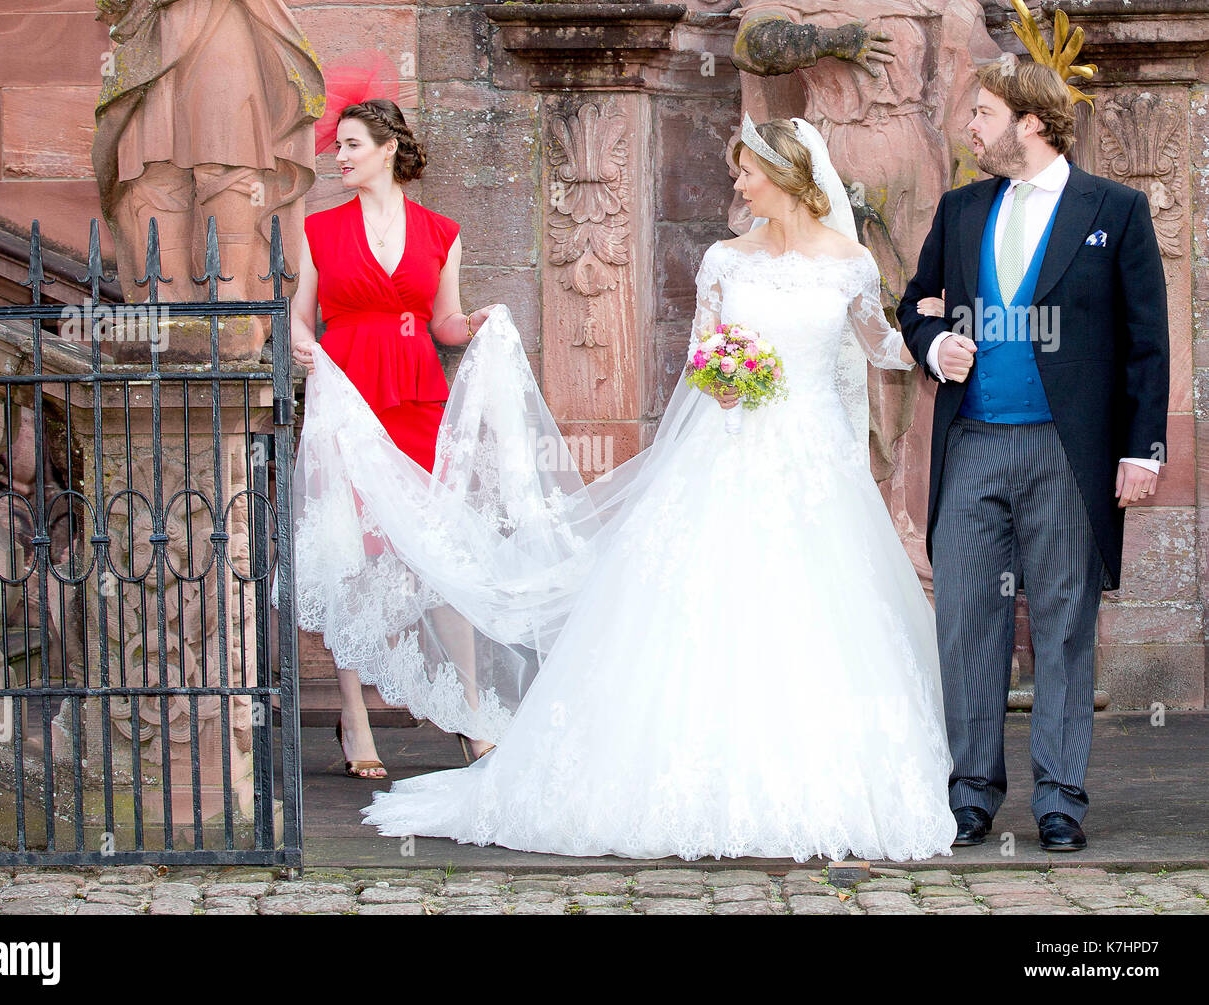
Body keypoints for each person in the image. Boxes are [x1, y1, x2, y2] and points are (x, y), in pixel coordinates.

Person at [355, 116, 958, 862]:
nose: (737, 185)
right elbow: (705, 353)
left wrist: (937, 337)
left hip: (815, 465)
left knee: (818, 608)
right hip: (728, 452)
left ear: (788, 175)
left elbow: (880, 345)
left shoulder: (851, 264)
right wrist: (723, 379)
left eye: (747, 172)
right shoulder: (724, 262)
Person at [897, 59, 1169, 852]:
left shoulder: (1114, 211)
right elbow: (915, 303)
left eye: (983, 113)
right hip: (972, 445)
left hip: (1067, 451)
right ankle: (971, 794)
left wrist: (1141, 449)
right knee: (966, 624)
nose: (970, 128)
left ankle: (1060, 799)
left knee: (1063, 622)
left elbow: (1147, 345)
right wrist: (935, 341)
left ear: (1033, 123)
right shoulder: (959, 210)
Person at [288, 57, 502, 777]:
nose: (338, 156)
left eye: (350, 144)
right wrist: (302, 348)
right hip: (347, 396)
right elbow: (299, 317)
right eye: (336, 145)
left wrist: (471, 324)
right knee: (351, 556)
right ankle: (356, 723)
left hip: (414, 397)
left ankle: (470, 710)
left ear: (387, 149)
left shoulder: (442, 231)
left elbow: (441, 321)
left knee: (439, 553)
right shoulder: (320, 230)